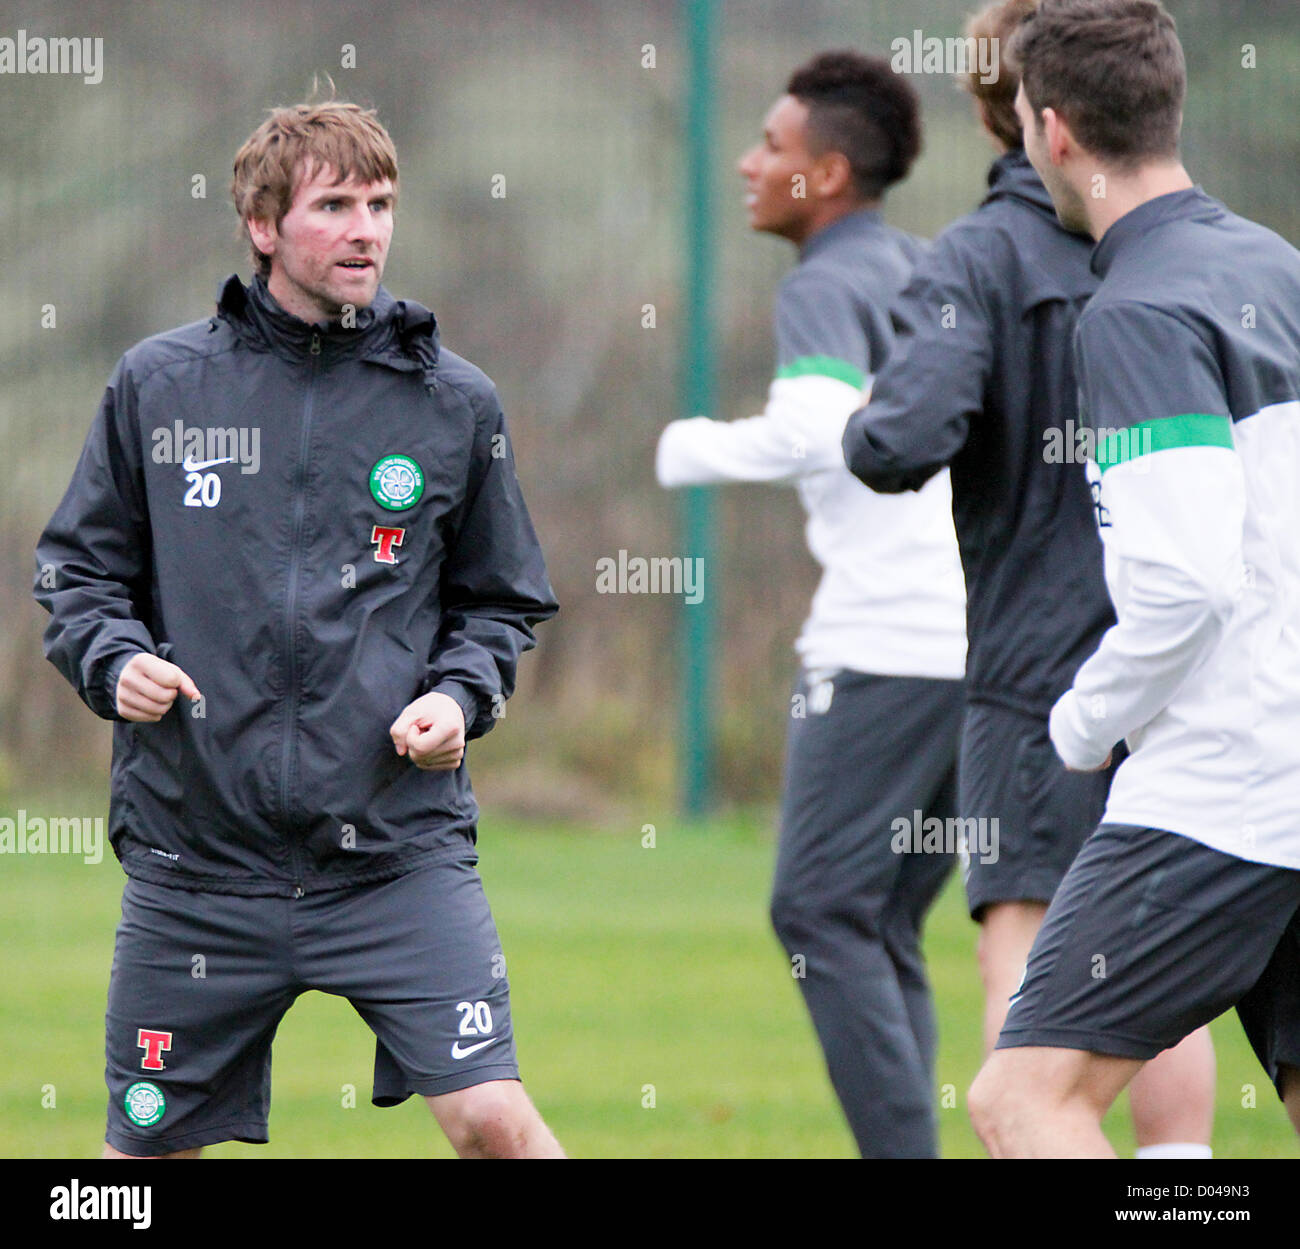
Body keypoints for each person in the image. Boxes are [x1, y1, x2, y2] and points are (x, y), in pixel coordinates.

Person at [33, 98, 563, 1159]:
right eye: (334, 205)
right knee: (136, 1161)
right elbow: (78, 572)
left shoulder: (454, 403)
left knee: (496, 1120)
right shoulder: (160, 384)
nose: (366, 228)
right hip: (197, 865)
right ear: (263, 225)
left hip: (393, 857)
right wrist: (116, 660)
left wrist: (456, 699)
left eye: (380, 204)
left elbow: (501, 603)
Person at [842, 0, 1214, 1159]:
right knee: (1161, 958)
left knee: (1032, 936)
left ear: (1008, 109)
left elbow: (902, 438)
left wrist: (865, 420)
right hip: (1197, 669)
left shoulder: (977, 256)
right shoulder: (1199, 243)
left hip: (1040, 679)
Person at [964, 0, 1300, 1157]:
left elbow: (1186, 583)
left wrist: (1080, 720)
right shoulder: (1273, 263)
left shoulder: (1136, 310)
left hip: (1217, 788)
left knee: (1022, 1102)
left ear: (1050, 132)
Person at [656, 51, 967, 1158]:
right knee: (878, 921)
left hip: (884, 642)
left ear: (827, 173)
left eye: (773, 149)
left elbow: (809, 430)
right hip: (975, 644)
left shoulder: (826, 280)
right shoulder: (930, 266)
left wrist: (684, 446)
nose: (748, 164)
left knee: (817, 912)